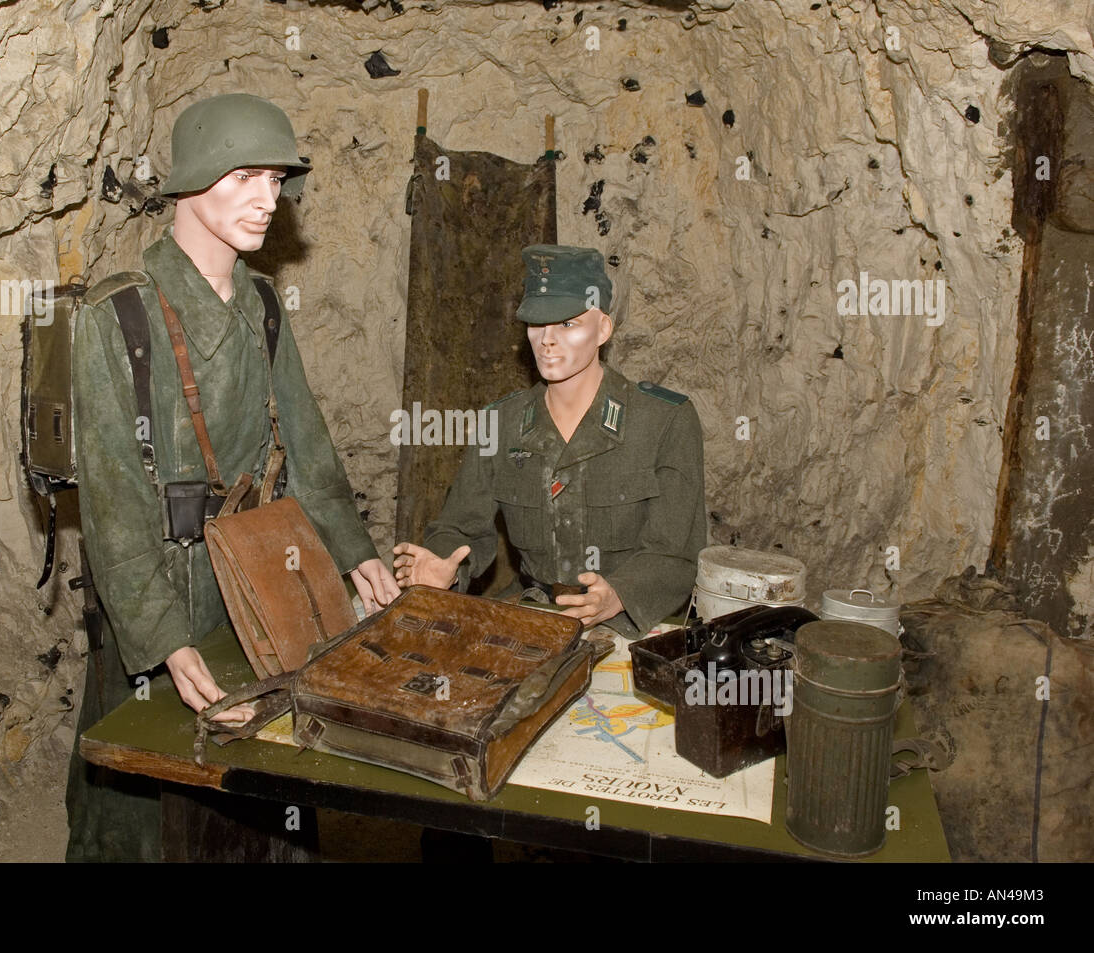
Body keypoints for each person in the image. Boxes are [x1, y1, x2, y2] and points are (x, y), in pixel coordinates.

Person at [66, 93, 399, 861]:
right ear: (190, 186)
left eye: (277, 179)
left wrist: (356, 552)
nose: (267, 199)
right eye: (244, 175)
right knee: (143, 807)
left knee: (268, 788)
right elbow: (112, 504)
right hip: (160, 588)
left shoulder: (261, 305)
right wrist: (160, 637)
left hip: (255, 579)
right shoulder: (119, 318)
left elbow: (306, 449)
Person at [393, 244, 706, 636]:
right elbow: (461, 527)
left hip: (630, 625)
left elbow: (675, 552)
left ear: (603, 329)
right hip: (531, 616)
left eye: (567, 324)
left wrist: (618, 594)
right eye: (536, 324)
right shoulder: (500, 423)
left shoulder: (663, 421)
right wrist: (444, 564)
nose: (547, 340)